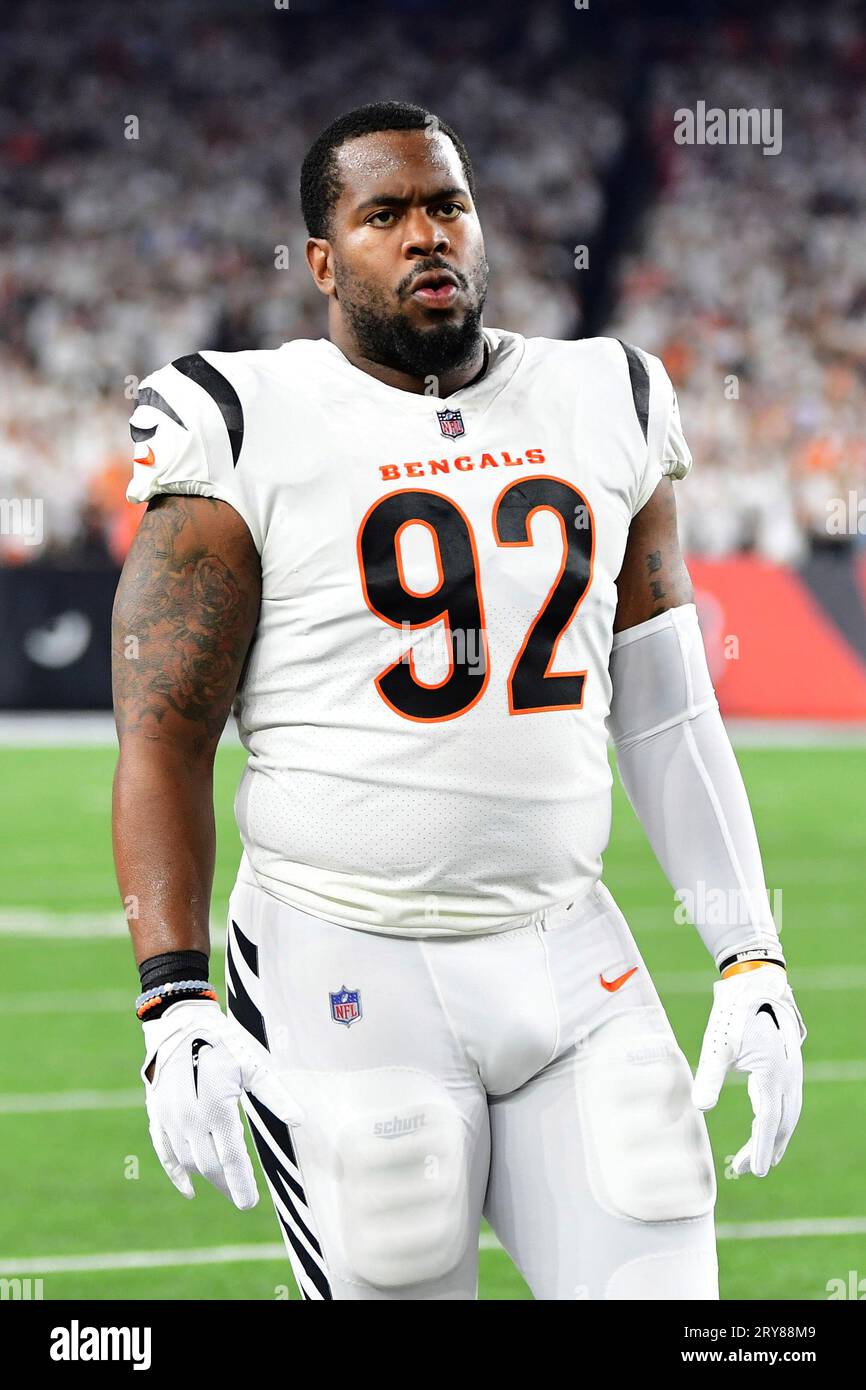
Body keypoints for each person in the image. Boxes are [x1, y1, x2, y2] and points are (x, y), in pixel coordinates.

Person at [112, 101, 805, 1302]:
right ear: (323, 261)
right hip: (341, 955)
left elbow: (664, 711)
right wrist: (172, 994)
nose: (426, 234)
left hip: (566, 944)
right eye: (383, 214)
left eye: (448, 204)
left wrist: (747, 951)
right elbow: (162, 736)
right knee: (398, 1246)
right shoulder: (240, 418)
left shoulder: (606, 394)